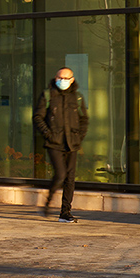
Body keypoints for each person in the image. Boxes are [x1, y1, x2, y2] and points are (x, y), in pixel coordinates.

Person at [34, 66, 90, 222]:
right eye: (60, 78)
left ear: (72, 80)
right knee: (60, 174)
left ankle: (65, 212)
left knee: (70, 178)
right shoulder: (48, 95)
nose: (62, 81)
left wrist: (79, 137)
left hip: (72, 143)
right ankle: (48, 200)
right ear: (55, 78)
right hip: (55, 143)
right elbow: (38, 117)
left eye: (66, 78)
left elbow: (84, 119)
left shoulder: (77, 97)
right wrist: (48, 134)